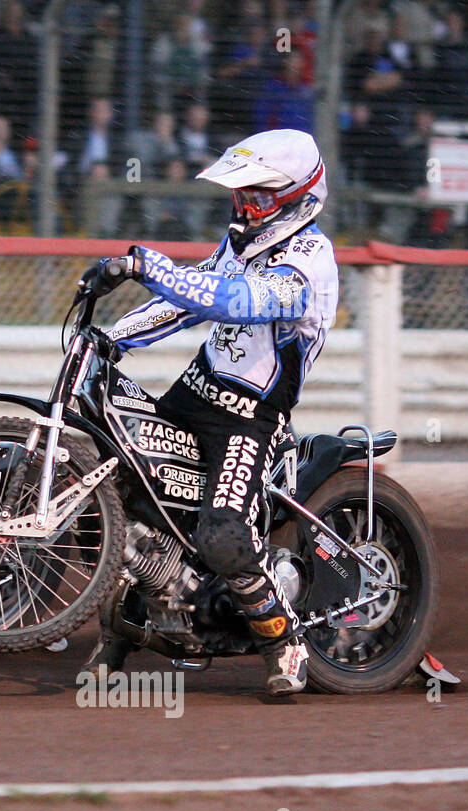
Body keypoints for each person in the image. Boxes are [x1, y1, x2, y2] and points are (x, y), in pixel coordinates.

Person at [81, 128, 338, 696]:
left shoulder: (310, 260)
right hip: (191, 394)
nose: (245, 207)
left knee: (222, 536)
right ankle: (131, 624)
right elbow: (184, 306)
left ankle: (283, 642)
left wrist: (150, 265)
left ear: (299, 196)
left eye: (259, 197)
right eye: (241, 195)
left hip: (251, 418)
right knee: (121, 483)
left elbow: (231, 301)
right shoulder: (240, 244)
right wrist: (111, 339)